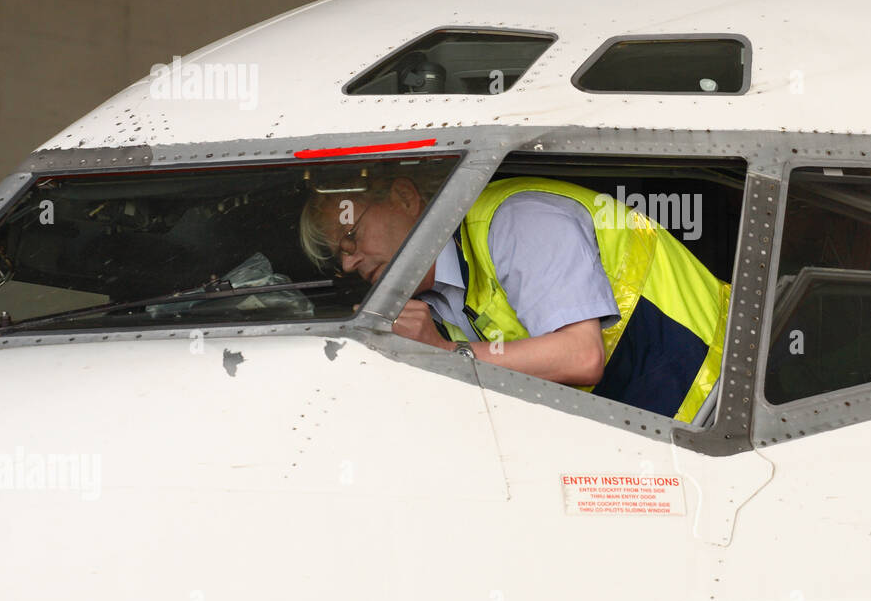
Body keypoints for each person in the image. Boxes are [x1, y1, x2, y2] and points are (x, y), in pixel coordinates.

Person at [299, 174, 729, 424]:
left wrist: (447, 352)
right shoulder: (432, 303)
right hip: (655, 442)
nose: (351, 263)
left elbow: (581, 356)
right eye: (340, 258)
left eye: (350, 237)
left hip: (722, 402)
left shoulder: (517, 221)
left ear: (405, 198)